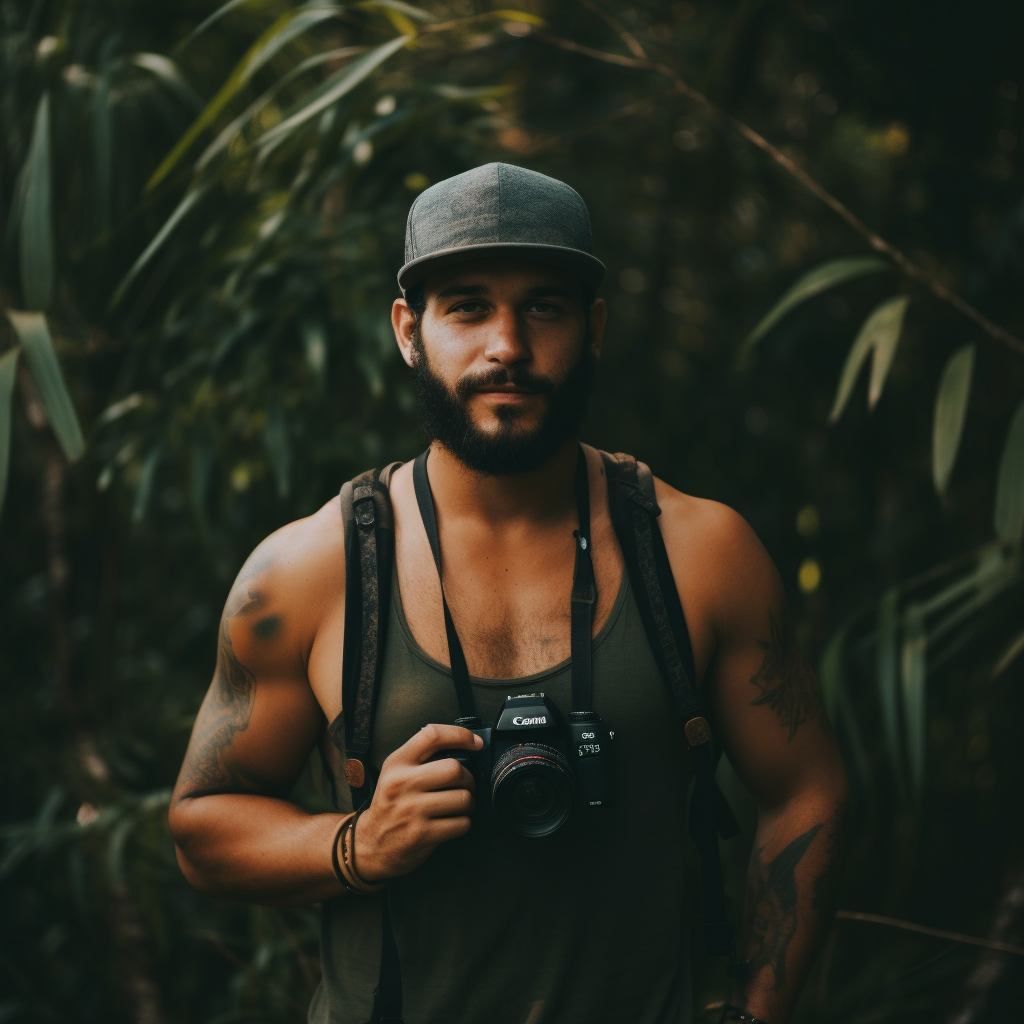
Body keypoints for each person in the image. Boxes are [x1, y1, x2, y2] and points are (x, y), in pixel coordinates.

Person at [168, 162, 849, 1024]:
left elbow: (806, 789)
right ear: (409, 331)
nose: (507, 347)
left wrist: (758, 1012)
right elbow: (201, 827)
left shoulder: (699, 552)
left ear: (593, 326)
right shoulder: (311, 572)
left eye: (544, 306)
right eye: (466, 306)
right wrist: (356, 844)